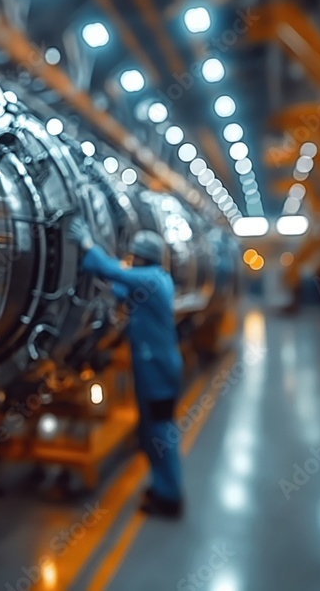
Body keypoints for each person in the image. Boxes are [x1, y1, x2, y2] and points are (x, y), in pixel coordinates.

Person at [68, 220, 185, 518]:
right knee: (149, 433)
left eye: (135, 256)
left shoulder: (151, 280)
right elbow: (119, 287)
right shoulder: (156, 280)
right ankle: (161, 487)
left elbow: (113, 272)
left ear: (143, 258)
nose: (131, 260)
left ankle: (170, 496)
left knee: (160, 433)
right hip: (154, 369)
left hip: (158, 372)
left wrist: (86, 244)